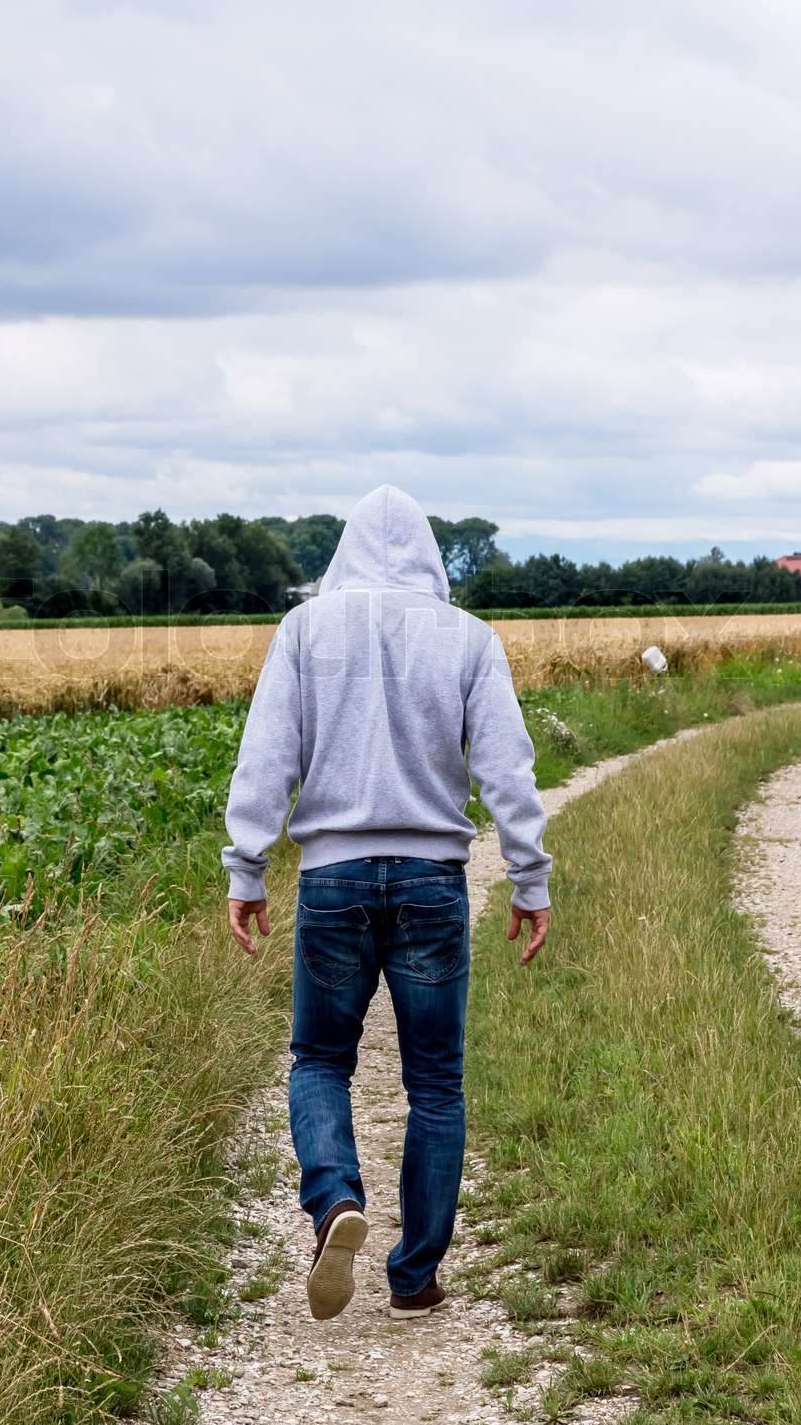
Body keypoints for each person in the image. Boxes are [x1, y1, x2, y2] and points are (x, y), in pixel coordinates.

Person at [221, 484, 552, 1322]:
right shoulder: (469, 638)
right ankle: (414, 1277)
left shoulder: (304, 629)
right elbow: (506, 768)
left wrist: (246, 867)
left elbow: (267, 756)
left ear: (345, 548)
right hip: (432, 882)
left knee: (321, 1061)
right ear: (431, 554)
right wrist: (528, 876)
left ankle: (335, 1200)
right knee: (435, 1083)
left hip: (331, 880)